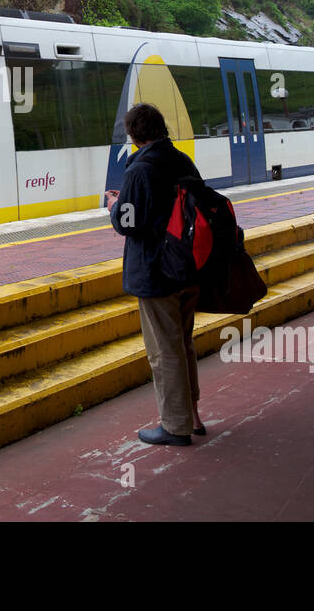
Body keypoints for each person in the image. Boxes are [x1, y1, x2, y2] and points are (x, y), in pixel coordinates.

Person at [105, 102, 206, 446]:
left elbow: (129, 223)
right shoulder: (181, 160)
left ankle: (175, 426)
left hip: (156, 272)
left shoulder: (138, 171)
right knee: (183, 343)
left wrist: (114, 207)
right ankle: (192, 416)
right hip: (188, 269)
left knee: (164, 351)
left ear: (134, 135)